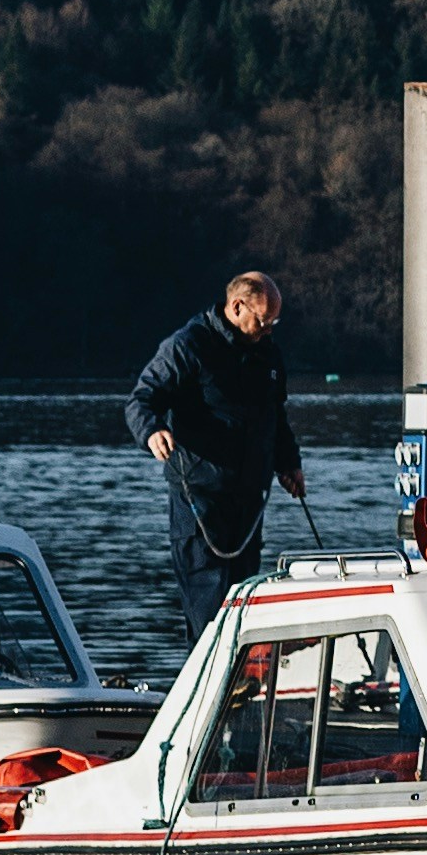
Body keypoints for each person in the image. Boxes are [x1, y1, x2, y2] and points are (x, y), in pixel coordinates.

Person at [128, 267, 306, 643]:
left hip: (247, 502)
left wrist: (289, 463)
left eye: (275, 321)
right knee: (208, 608)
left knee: (245, 604)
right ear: (237, 306)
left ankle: (241, 690)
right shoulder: (187, 345)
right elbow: (142, 399)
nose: (270, 329)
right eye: (263, 320)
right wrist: (152, 432)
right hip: (200, 500)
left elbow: (276, 416)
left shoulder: (267, 354)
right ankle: (207, 682)